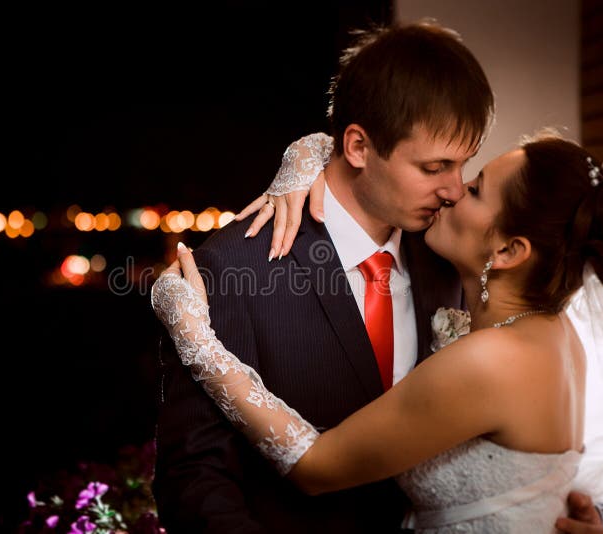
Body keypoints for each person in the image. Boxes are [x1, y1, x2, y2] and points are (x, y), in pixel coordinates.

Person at [151, 130, 603, 532]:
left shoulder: (492, 359)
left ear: (507, 251)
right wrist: (312, 150)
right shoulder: (553, 331)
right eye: (447, 171)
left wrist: (196, 340)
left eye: (475, 189)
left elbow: (315, 466)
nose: (454, 190)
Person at [151, 20, 494, 532]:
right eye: (434, 167)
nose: (453, 189)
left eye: (463, 165)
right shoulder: (233, 268)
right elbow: (194, 477)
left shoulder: (451, 255)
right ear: (357, 147)